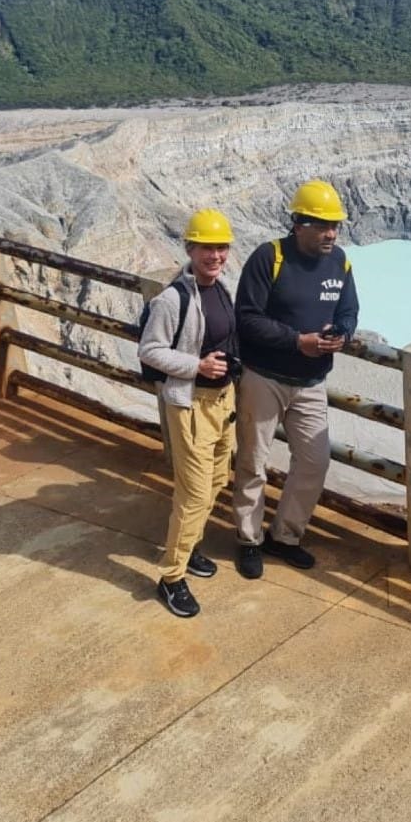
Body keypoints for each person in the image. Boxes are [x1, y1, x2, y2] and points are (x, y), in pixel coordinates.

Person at [233, 179, 359, 578]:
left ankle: (284, 536)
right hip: (263, 378)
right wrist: (296, 342)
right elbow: (246, 319)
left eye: (335, 225)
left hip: (311, 383)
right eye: (323, 225)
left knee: (314, 462)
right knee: (253, 462)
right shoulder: (267, 257)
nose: (331, 233)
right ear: (298, 223)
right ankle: (248, 540)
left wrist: (342, 333)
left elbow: (349, 310)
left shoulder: (340, 261)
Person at [138, 208, 239, 618]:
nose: (214, 255)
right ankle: (172, 577)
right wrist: (197, 367)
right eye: (206, 247)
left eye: (221, 247)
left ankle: (192, 543)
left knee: (217, 479)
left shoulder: (220, 288)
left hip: (223, 403)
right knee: (194, 493)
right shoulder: (172, 299)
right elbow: (149, 350)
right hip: (191, 406)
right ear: (190, 248)